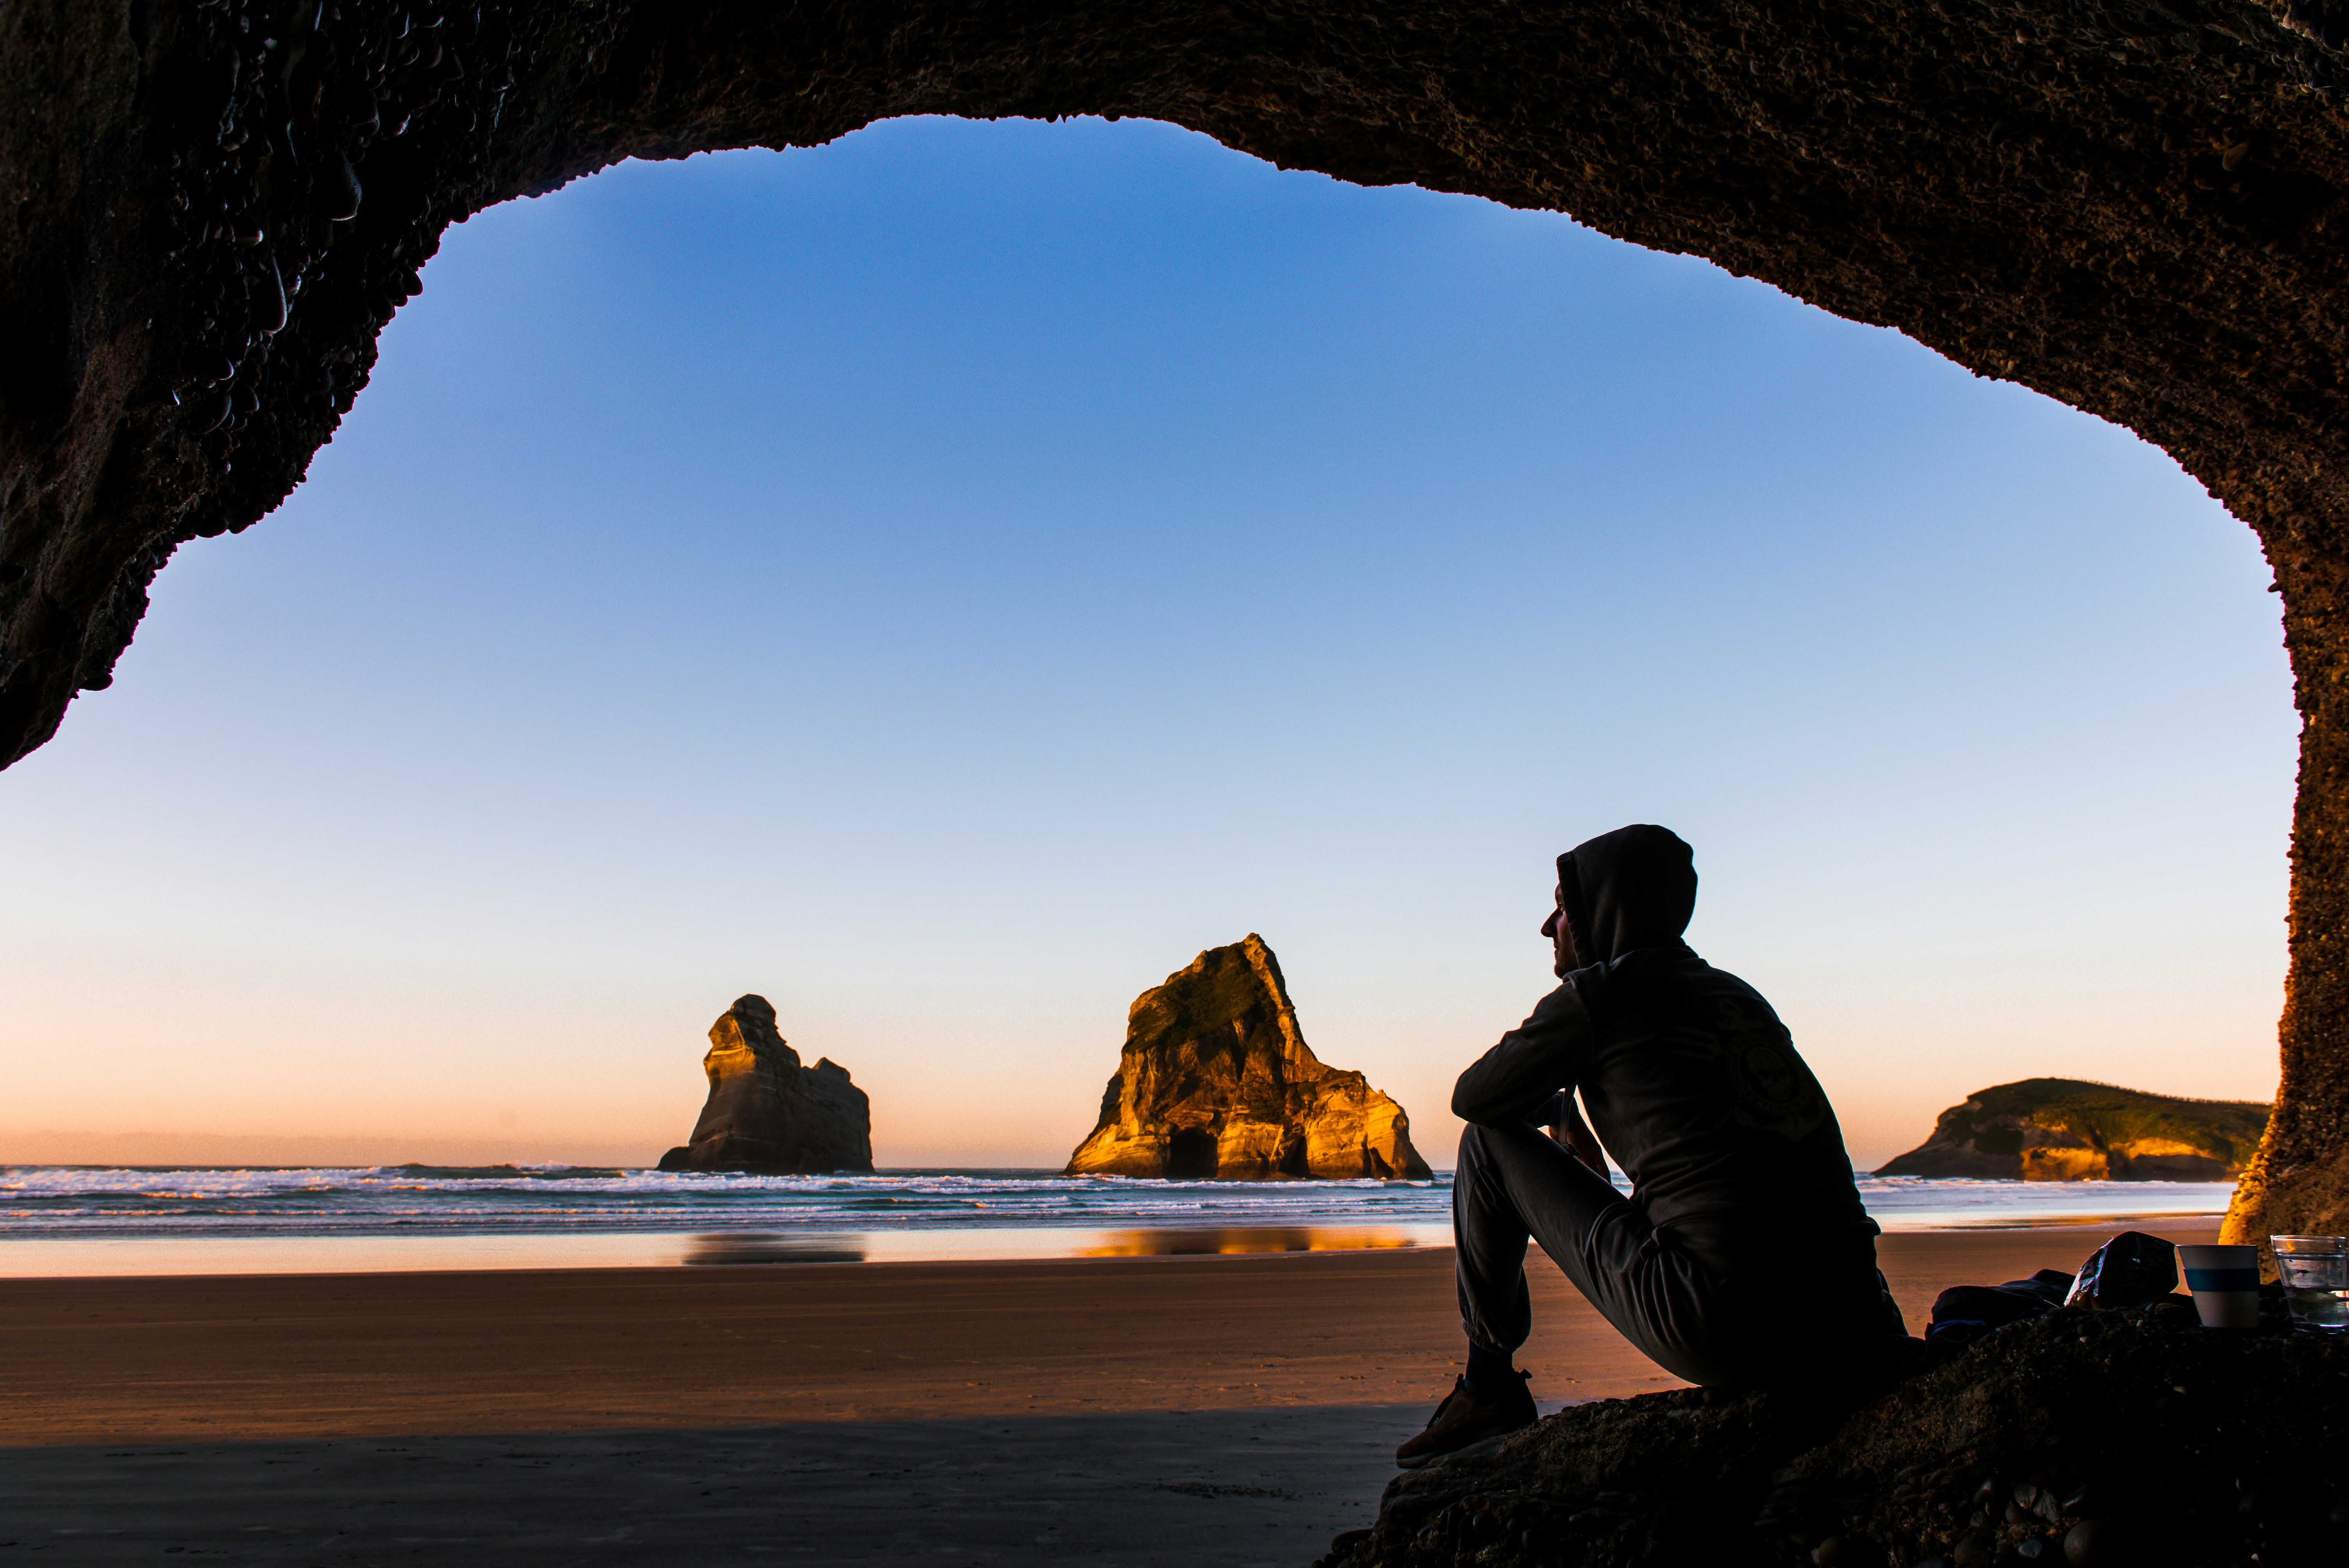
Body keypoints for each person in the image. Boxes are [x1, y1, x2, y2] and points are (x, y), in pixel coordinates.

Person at [1395, 823, 1908, 1468]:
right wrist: (1566, 1109)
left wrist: (1554, 1105)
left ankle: (1486, 1385)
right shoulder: (1735, 995)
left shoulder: (1597, 995)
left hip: (1720, 1321)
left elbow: (1473, 1098)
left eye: (1561, 905)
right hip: (1858, 1321)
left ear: (1599, 913)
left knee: (1486, 1142)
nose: (1546, 926)